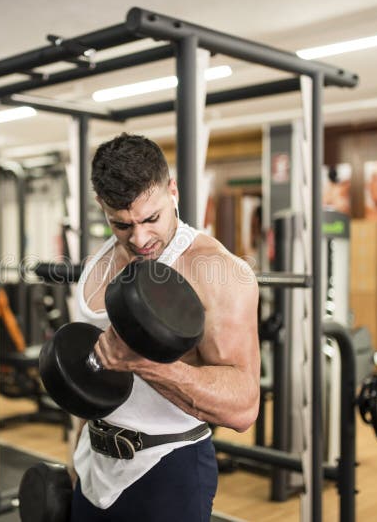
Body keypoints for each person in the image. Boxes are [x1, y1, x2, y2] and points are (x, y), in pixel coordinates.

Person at [69, 133, 261, 521]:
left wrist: (143, 362)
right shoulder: (98, 260)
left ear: (172, 191)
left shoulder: (216, 271)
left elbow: (244, 406)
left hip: (167, 468)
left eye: (151, 219)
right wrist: (78, 452)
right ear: (102, 207)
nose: (139, 238)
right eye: (121, 224)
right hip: (94, 467)